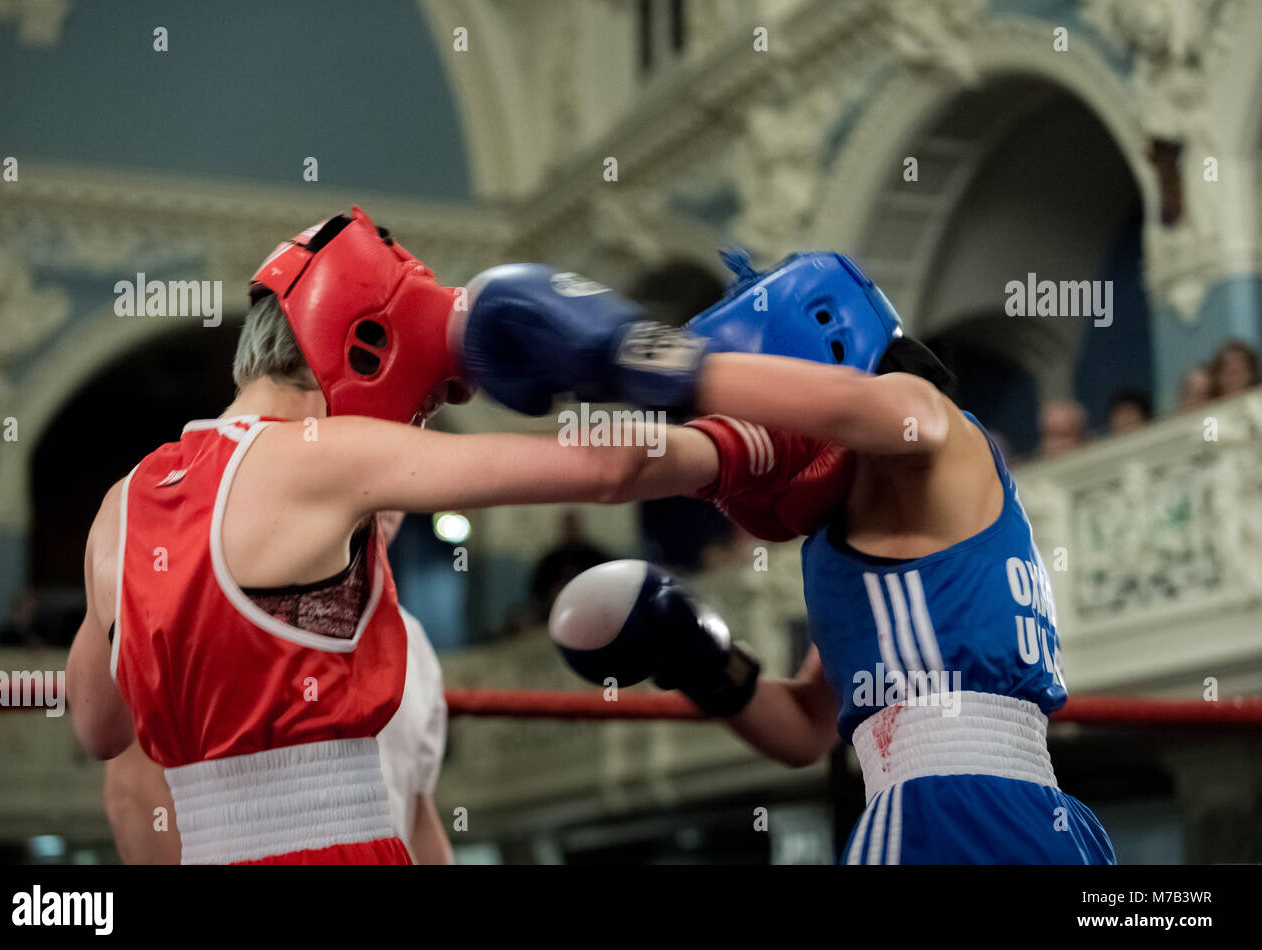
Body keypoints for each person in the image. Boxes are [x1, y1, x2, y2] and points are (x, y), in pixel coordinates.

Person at [66, 208, 721, 865]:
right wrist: (742, 446)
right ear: (357, 349)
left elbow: (98, 726)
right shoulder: (324, 454)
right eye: (417, 408)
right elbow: (611, 464)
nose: (413, 424)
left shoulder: (122, 503)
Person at [463, 248, 1116, 863]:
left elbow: (862, 406)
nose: (748, 436)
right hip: (1026, 820)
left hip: (948, 814)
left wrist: (650, 355)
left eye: (753, 403)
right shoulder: (854, 554)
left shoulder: (929, 425)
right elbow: (806, 727)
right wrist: (701, 656)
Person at [101, 513, 453, 865]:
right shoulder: (211, 613)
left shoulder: (413, 641)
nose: (385, 498)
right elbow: (134, 790)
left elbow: (418, 810)